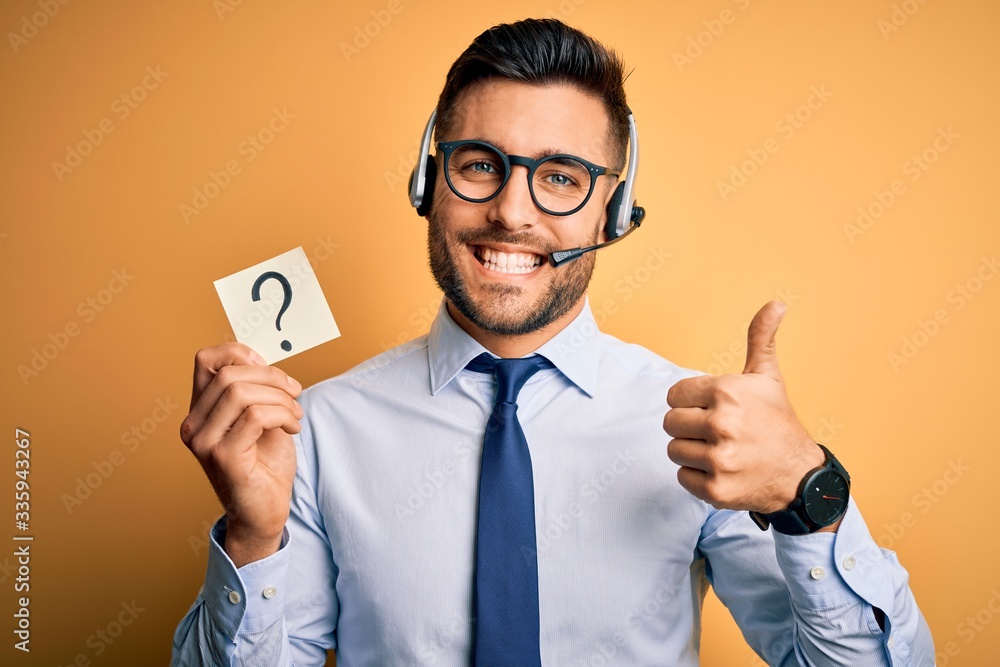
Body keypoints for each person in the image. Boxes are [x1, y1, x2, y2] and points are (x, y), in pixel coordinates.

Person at [172, 18, 934, 666]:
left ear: (614, 209)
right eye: (480, 166)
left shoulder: (708, 433)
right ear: (426, 184)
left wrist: (809, 496)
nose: (512, 211)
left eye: (561, 178)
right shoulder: (318, 431)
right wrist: (252, 535)